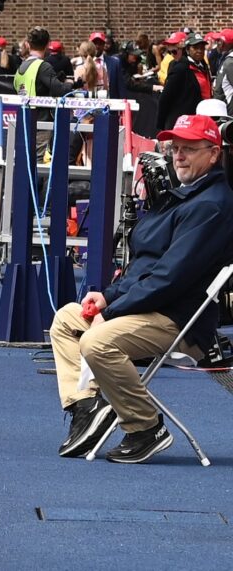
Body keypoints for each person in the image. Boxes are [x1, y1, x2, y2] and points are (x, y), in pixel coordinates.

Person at [50, 114, 233, 463]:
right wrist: (108, 296)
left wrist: (112, 310)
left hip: (180, 321)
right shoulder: (183, 196)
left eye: (189, 149)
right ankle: (88, 407)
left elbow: (169, 278)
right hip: (151, 307)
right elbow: (145, 268)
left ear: (213, 154)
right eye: (175, 148)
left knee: (96, 341)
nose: (178, 156)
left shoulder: (211, 206)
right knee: (66, 320)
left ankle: (145, 427)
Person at [13, 26, 74, 160]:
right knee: (41, 165)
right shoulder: (43, 66)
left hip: (24, 122)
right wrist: (70, 84)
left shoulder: (20, 69)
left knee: (25, 163)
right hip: (42, 125)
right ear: (47, 44)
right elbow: (61, 91)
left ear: (28, 45)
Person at [157, 32, 212, 131]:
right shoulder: (180, 68)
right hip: (184, 122)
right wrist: (162, 125)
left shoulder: (203, 65)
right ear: (187, 49)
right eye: (195, 47)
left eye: (202, 47)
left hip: (202, 119)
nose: (199, 50)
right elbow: (165, 97)